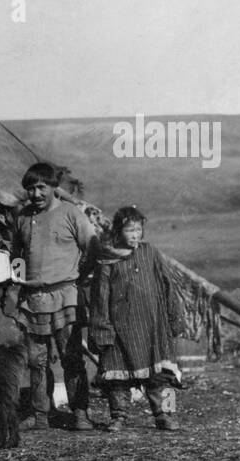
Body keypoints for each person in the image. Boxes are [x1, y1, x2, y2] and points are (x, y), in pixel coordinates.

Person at [10, 162, 97, 431]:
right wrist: (19, 279)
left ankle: (80, 412)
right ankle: (40, 415)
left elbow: (92, 248)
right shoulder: (23, 217)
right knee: (36, 360)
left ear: (53, 188)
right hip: (33, 297)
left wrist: (78, 277)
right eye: (31, 188)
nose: (36, 194)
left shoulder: (71, 213)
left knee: (71, 356)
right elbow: (16, 253)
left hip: (65, 294)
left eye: (41, 188)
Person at [89, 205, 186, 432]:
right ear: (117, 232)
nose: (135, 235)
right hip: (119, 326)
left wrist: (174, 316)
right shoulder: (108, 259)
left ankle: (165, 415)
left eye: (138, 230)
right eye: (129, 230)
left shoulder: (149, 252)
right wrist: (102, 327)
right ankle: (118, 417)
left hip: (152, 326)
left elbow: (167, 283)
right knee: (116, 378)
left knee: (161, 376)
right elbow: (100, 296)